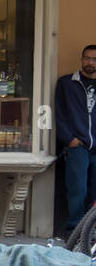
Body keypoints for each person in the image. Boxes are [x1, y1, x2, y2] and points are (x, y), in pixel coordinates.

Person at [56, 44, 96, 235]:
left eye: (94, 59)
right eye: (87, 58)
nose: (90, 62)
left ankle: (92, 231)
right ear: (81, 60)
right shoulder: (67, 83)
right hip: (77, 144)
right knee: (77, 189)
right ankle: (75, 230)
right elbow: (59, 113)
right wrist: (69, 139)